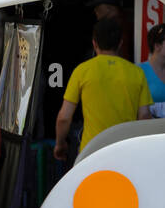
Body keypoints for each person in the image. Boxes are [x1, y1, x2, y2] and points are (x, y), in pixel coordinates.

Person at [54, 18, 152, 161]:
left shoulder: (82, 71)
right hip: (125, 151)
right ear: (120, 43)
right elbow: (144, 116)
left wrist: (60, 144)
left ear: (94, 43)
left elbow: (64, 118)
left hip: (91, 152)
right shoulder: (137, 73)